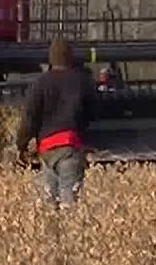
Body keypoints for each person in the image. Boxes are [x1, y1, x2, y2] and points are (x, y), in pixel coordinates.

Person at [13, 37, 95, 207]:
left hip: (46, 150)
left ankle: (51, 220)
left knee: (48, 202)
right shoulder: (81, 82)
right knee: (69, 202)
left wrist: (21, 145)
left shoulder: (40, 83)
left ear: (51, 59)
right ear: (71, 58)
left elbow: (30, 118)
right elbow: (91, 114)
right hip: (69, 147)